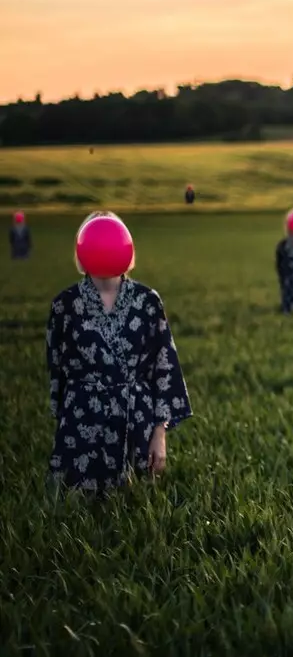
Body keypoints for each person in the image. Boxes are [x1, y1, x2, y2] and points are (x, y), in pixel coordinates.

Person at [45, 211, 193, 495]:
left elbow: (164, 368)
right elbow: (57, 371)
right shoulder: (65, 306)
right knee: (78, 515)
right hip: (83, 424)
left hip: (135, 422)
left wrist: (159, 433)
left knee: (133, 510)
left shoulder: (147, 302)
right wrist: (65, 424)